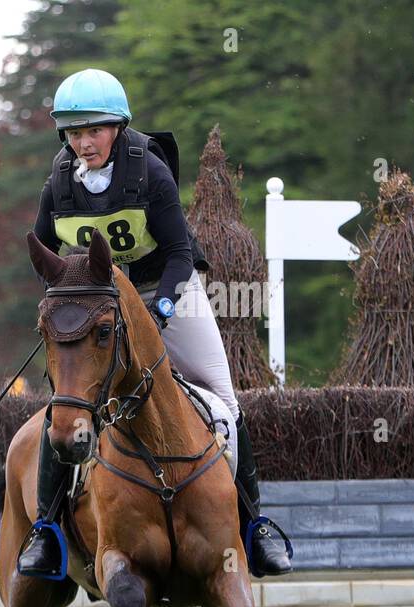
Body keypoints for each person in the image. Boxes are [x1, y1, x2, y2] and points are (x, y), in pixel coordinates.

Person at [22, 67, 291, 580]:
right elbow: (45, 258)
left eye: (93, 130)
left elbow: (179, 254)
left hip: (166, 289)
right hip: (101, 303)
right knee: (65, 409)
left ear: (118, 128)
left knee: (222, 397)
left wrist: (161, 311)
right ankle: (47, 530)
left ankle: (256, 527)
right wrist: (67, 316)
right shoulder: (58, 183)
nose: (83, 142)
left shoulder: (150, 171)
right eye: (74, 133)